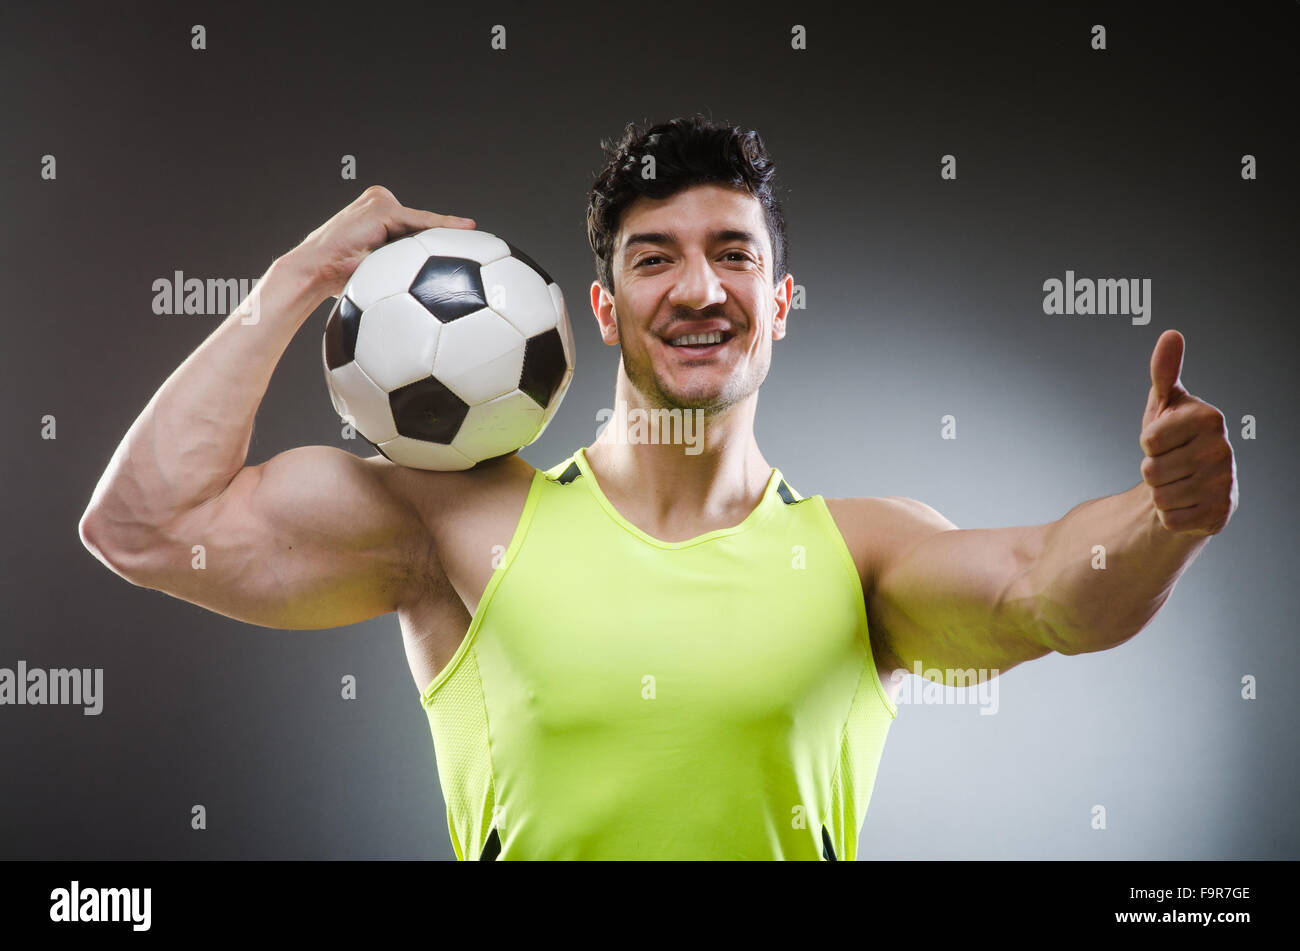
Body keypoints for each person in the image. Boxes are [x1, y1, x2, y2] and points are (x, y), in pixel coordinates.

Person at [78, 115, 1238, 860]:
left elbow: (1049, 593)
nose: (699, 287)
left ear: (780, 304)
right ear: (598, 310)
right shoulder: (458, 523)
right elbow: (147, 526)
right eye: (654, 256)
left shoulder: (866, 552)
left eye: (734, 253)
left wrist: (1164, 518)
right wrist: (298, 280)